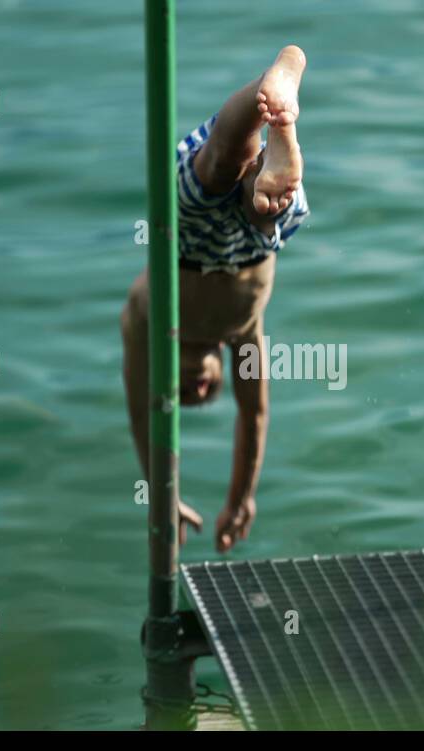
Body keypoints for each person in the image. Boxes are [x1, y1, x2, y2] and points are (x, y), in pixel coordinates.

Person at [121, 45, 309, 553]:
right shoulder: (242, 337)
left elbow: (142, 413)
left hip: (184, 240)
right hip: (256, 239)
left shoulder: (146, 316)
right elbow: (255, 415)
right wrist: (242, 498)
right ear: (220, 372)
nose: (197, 393)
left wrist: (163, 494)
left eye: (183, 396)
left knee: (221, 160)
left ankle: (273, 88)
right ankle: (280, 147)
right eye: (207, 397)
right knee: (264, 205)